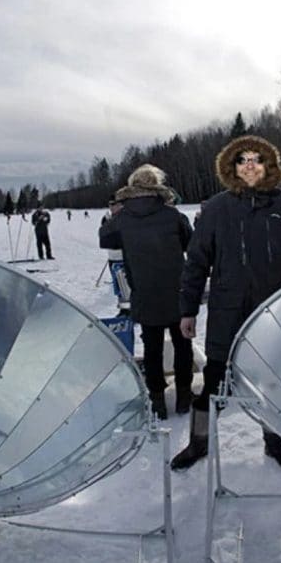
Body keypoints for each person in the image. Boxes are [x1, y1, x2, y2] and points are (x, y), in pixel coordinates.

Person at [172, 135, 281, 472]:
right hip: (229, 311)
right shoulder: (216, 209)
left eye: (257, 159)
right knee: (213, 383)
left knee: (274, 382)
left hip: (278, 313)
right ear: (232, 168)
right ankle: (199, 443)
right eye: (242, 160)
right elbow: (196, 262)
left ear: (269, 165)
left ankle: (274, 441)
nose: (250, 165)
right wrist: (188, 309)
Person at [100, 165, 194, 420]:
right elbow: (190, 242)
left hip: (143, 291)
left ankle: (158, 401)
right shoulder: (173, 215)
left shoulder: (123, 218)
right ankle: (184, 396)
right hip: (177, 290)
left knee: (152, 350)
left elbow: (105, 239)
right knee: (183, 344)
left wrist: (115, 215)